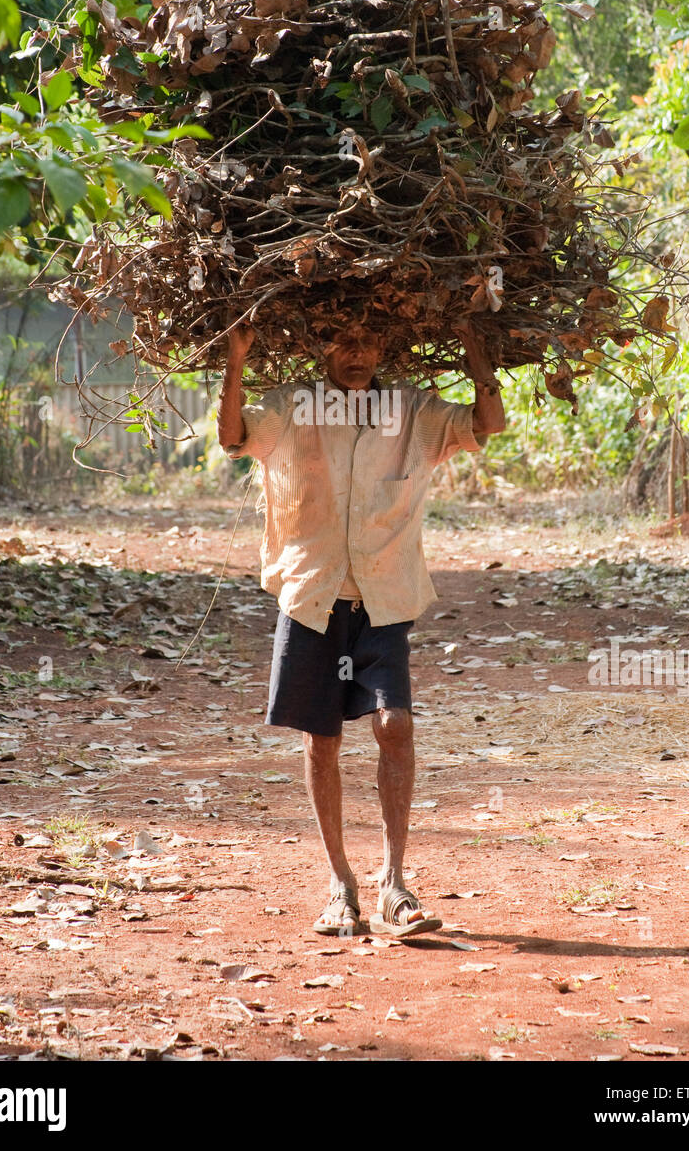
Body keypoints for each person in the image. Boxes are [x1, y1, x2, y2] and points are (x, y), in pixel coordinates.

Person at [217, 319, 505, 937]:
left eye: (370, 340)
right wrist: (235, 361)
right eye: (343, 340)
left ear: (386, 345)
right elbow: (233, 435)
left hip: (382, 597)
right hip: (312, 593)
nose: (357, 353)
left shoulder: (412, 410)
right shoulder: (292, 406)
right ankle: (339, 885)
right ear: (318, 343)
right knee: (322, 740)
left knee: (394, 725)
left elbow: (488, 424)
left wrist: (476, 342)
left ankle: (394, 884)